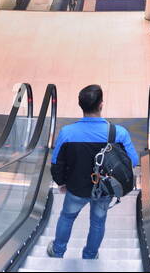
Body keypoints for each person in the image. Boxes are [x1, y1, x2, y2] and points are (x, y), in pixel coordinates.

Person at [47, 84, 139, 260]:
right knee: (97, 222)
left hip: (75, 189)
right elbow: (133, 161)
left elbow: (56, 163)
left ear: (80, 105)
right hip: (104, 190)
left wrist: (62, 183)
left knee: (67, 217)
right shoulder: (118, 133)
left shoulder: (67, 133)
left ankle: (58, 251)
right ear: (101, 105)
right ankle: (90, 255)